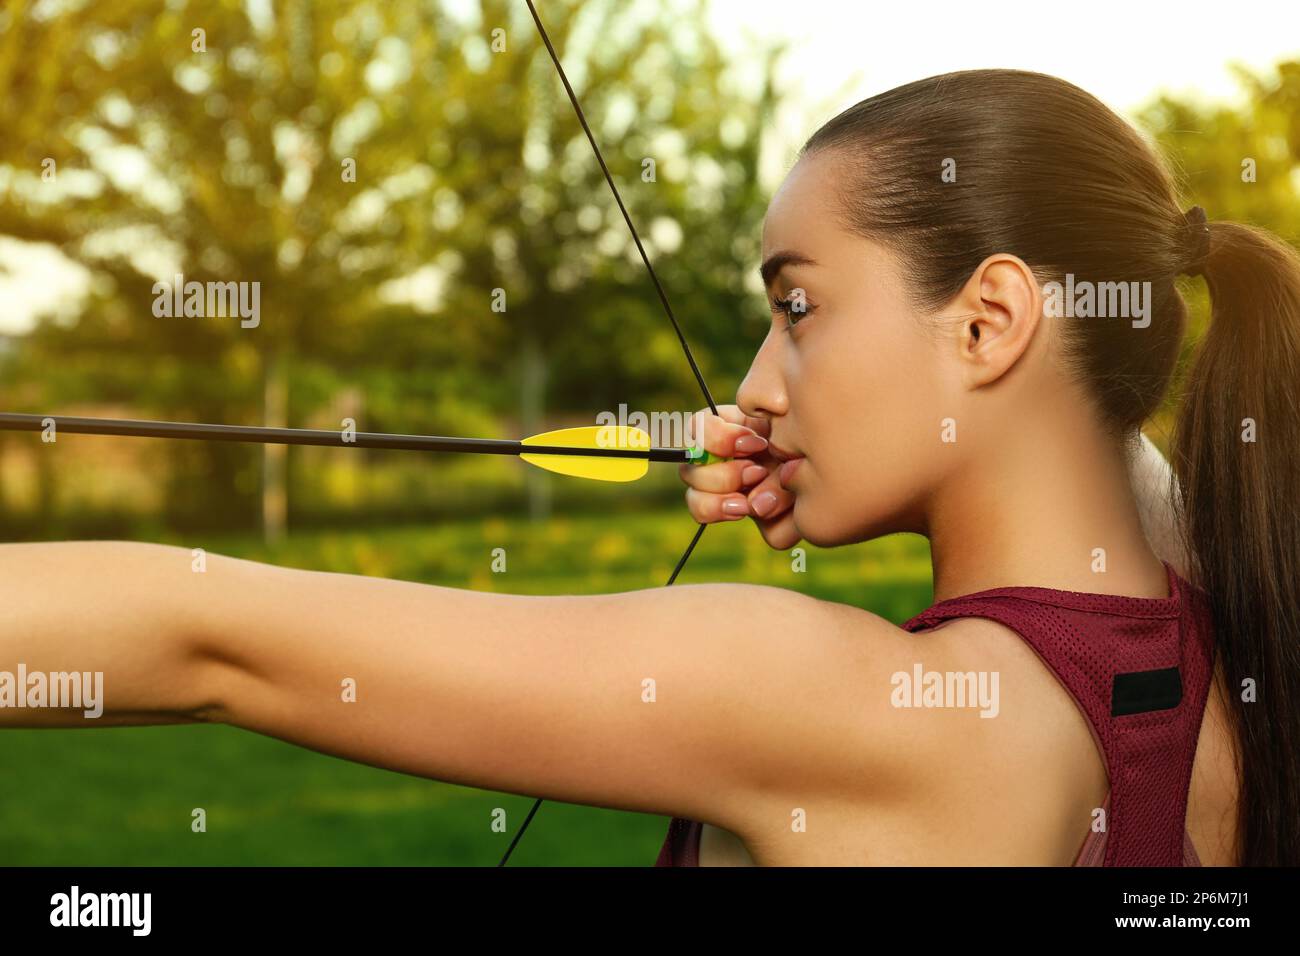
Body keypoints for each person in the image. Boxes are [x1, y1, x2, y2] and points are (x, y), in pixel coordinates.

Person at [3, 69, 1296, 866]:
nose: (752, 387)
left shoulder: (841, 706)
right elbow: (1116, 484)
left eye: (797, 308)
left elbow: (208, 637)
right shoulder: (1236, 639)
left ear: (990, 321)